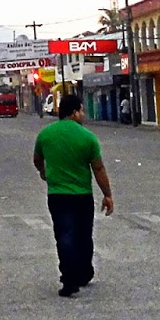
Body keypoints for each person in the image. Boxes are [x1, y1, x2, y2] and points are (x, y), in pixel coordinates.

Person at [32, 92, 114, 298]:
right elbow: (99, 169)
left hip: (57, 195)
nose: (83, 114)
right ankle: (84, 272)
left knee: (64, 235)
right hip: (82, 195)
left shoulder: (45, 134)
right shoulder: (87, 137)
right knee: (83, 235)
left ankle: (68, 277)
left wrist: (44, 173)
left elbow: (37, 159)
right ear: (75, 112)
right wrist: (107, 195)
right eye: (82, 110)